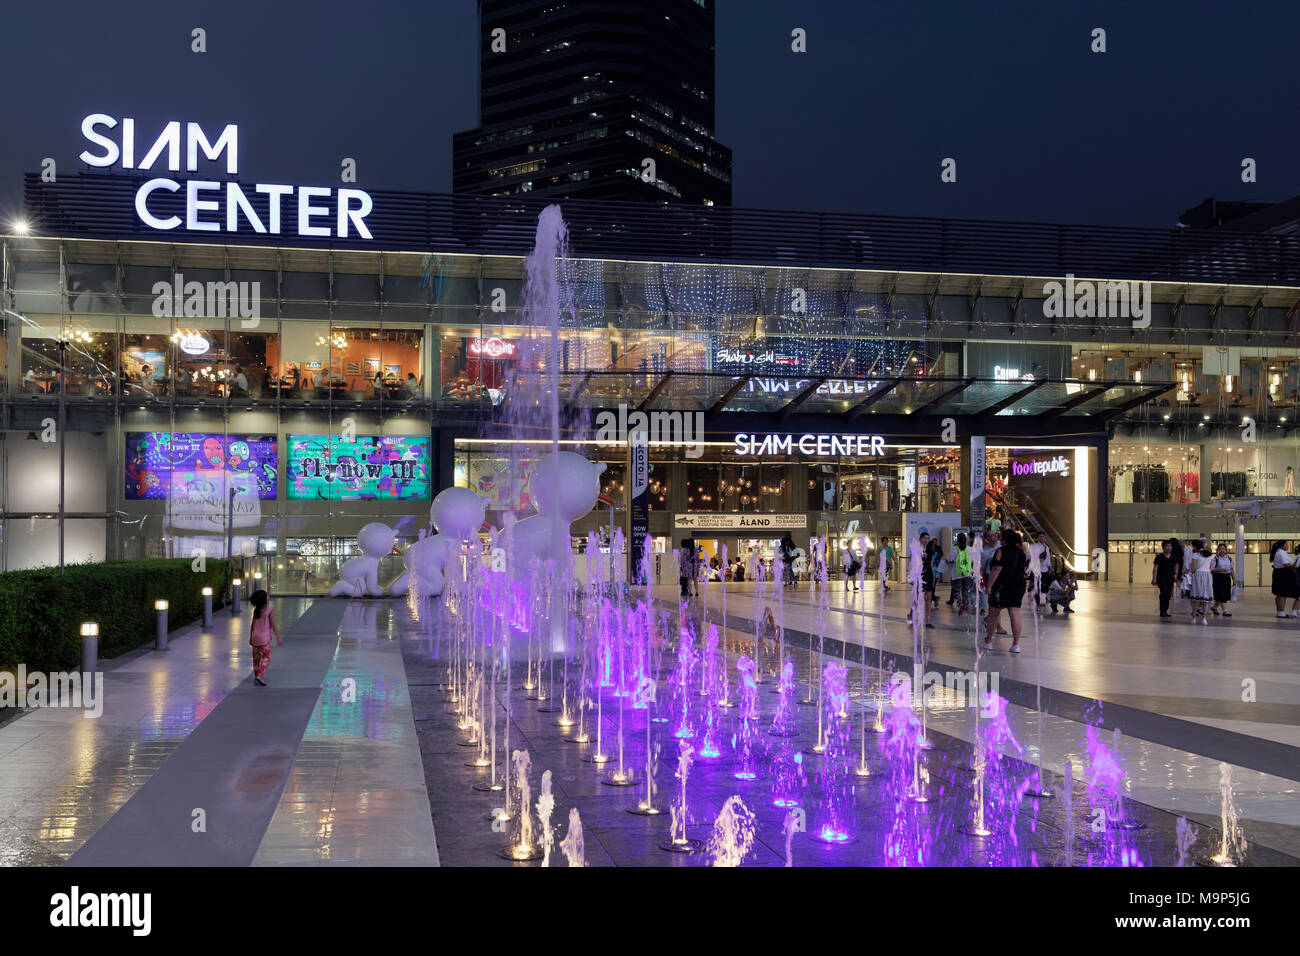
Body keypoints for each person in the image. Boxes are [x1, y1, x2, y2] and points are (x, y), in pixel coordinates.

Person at [983, 529, 1027, 652]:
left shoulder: (1001, 551)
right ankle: (1015, 644)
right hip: (1018, 586)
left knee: (993, 613)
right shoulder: (1021, 552)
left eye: (1000, 537)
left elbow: (996, 569)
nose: (999, 539)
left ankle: (988, 641)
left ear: (1004, 540)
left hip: (1001, 587)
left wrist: (989, 586)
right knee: (1015, 613)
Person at [248, 589, 283, 686]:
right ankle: (260, 675)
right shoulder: (269, 610)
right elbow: (274, 624)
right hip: (264, 640)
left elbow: (252, 625)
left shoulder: (257, 610)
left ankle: (256, 676)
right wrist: (278, 637)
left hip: (255, 638)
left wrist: (251, 637)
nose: (268, 596)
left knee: (256, 658)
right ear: (265, 600)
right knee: (266, 657)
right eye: (267, 595)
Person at [1184, 541, 1214, 624]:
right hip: (1208, 576)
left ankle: (1193, 618)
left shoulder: (1195, 555)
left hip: (1198, 576)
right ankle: (1204, 619)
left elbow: (1193, 569)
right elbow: (1211, 568)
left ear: (1195, 547)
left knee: (1196, 598)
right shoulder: (1209, 555)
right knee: (1205, 599)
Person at [948, 532, 976, 615]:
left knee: (956, 590)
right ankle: (965, 606)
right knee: (966, 590)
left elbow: (949, 559)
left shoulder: (954, 549)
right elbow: (974, 561)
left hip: (957, 574)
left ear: (957, 540)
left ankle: (960, 605)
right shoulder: (970, 549)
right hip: (968, 573)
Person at [1152, 539, 1180, 620]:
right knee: (1164, 592)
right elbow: (1155, 568)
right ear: (1163, 547)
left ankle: (1165, 610)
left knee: (1168, 595)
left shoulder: (1173, 557)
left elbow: (1176, 564)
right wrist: (1154, 579)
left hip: (1170, 578)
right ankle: (1162, 610)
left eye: (1170, 546)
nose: (1169, 548)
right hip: (1161, 578)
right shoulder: (1159, 557)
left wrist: (1176, 574)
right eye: (1167, 546)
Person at [1269, 540, 1298, 618]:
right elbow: (1286, 564)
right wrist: (1295, 567)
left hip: (1280, 573)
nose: (1287, 546)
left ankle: (1280, 612)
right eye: (1286, 544)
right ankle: (1281, 612)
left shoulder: (1279, 552)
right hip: (1282, 574)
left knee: (1280, 594)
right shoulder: (1281, 553)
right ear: (1282, 546)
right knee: (1282, 594)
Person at [1210, 543, 1234, 617]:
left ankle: (1214, 607)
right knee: (1220, 593)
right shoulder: (1215, 559)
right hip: (1218, 577)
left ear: (1226, 550)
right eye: (1220, 549)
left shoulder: (1229, 558)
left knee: (1225, 594)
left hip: (1227, 577)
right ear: (1217, 550)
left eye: (1223, 549)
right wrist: (1220, 569)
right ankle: (1225, 610)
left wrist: (1234, 579)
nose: (1222, 550)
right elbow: (1212, 569)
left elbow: (1232, 569)